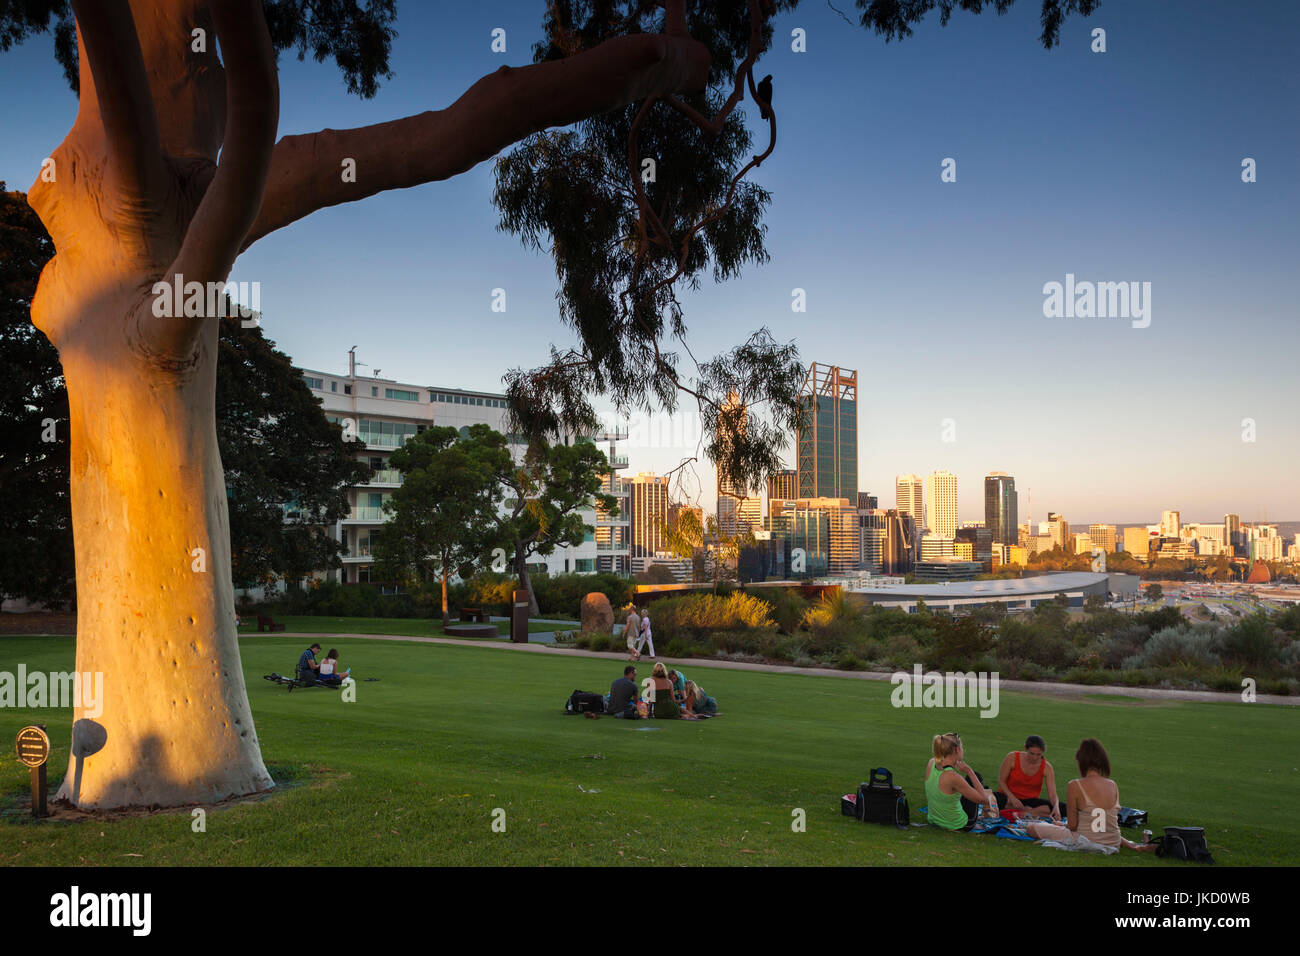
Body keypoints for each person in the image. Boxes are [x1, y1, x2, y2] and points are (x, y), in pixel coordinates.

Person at [1024, 738, 1155, 852]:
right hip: (1112, 840)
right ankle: (1134, 846)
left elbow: (1073, 826)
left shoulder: (1075, 785)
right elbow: (1104, 822)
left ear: (1081, 761)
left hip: (1085, 839)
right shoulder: (1112, 784)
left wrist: (1063, 825)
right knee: (1102, 829)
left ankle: (1133, 846)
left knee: (1031, 828)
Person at [924, 732, 995, 831]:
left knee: (961, 790)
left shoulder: (931, 762)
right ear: (957, 749)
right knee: (975, 777)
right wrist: (970, 772)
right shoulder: (953, 777)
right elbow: (984, 800)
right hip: (957, 824)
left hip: (934, 819)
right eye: (962, 748)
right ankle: (974, 823)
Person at [995, 734, 1062, 821]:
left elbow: (1052, 794)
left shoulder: (1047, 767)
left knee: (1062, 807)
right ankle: (1030, 812)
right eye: (1032, 753)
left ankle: (1023, 813)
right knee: (993, 798)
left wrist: (1056, 807)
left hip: (1029, 800)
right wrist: (1013, 799)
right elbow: (1001, 781)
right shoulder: (1012, 757)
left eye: (1039, 755)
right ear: (1025, 748)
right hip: (1008, 797)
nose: (1035, 758)